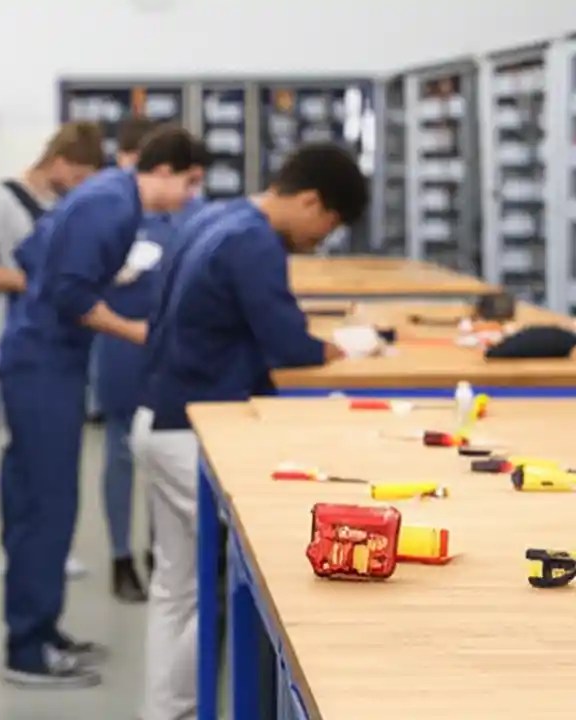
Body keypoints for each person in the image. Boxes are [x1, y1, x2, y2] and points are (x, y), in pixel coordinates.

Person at [134, 143, 368, 720]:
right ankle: (181, 707)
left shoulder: (216, 217)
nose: (321, 238)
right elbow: (288, 344)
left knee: (175, 587)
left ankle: (164, 711)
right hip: (195, 431)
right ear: (310, 201)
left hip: (159, 413)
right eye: (328, 223)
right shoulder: (254, 241)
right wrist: (334, 349)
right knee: (218, 588)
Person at [0, 125, 208, 689]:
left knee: (41, 500)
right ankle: (27, 650)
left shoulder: (107, 196)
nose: (190, 197)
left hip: (43, 357)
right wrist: (138, 332)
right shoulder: (112, 206)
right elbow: (70, 294)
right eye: (188, 183)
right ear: (162, 171)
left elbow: (33, 254)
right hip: (43, 364)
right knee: (47, 504)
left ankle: (42, 629)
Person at [0, 121, 105, 580]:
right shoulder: (0, 200)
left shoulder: (65, 206)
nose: (79, 186)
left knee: (54, 463)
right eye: (77, 176)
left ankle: (50, 549)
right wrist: (40, 284)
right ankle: (21, 548)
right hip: (21, 343)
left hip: (63, 346)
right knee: (24, 458)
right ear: (58, 162)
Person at [92, 117, 207, 604]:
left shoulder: (193, 209)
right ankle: (121, 557)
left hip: (172, 347)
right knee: (120, 451)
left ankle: (163, 551)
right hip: (121, 343)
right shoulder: (112, 209)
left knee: (170, 453)